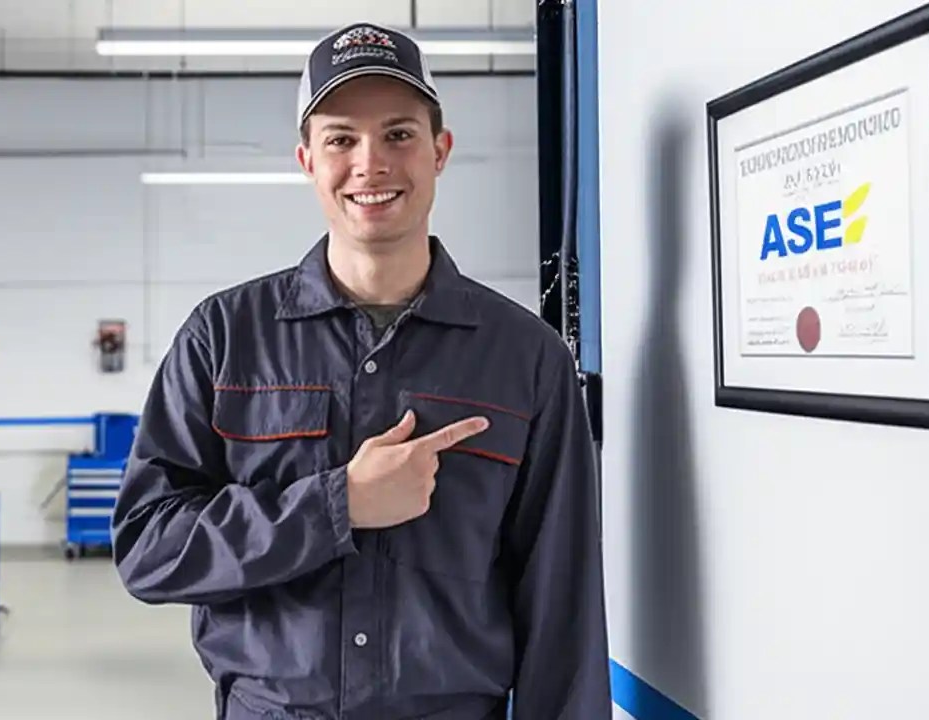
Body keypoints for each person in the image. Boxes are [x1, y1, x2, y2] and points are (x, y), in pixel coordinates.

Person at [111, 21, 611, 720]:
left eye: (400, 134)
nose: (371, 164)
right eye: (341, 138)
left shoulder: (525, 358)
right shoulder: (224, 339)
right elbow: (149, 548)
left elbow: (563, 606)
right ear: (307, 160)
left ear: (440, 151)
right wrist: (334, 505)